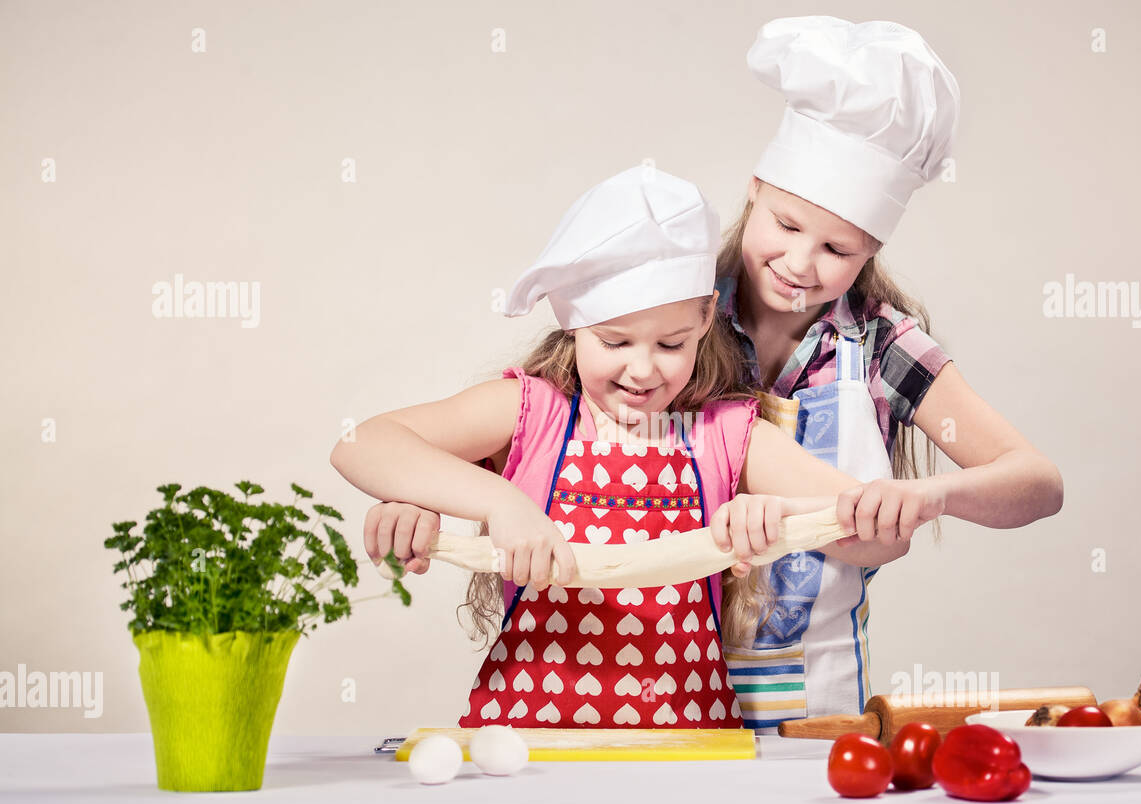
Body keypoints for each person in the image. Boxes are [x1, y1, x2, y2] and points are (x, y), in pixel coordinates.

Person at [330, 166, 912, 730]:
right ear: (573, 326)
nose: (642, 369)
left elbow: (882, 530)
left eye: (670, 343)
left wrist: (777, 514)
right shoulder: (532, 414)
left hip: (688, 748)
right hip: (523, 748)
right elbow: (362, 445)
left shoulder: (727, 434)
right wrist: (496, 502)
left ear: (707, 316)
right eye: (614, 340)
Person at [711, 17, 1064, 728]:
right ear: (754, 189)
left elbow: (1038, 484)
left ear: (872, 247)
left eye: (838, 248)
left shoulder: (879, 344)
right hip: (662, 681)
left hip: (819, 702)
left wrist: (931, 494)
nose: (802, 264)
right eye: (785, 225)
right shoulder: (675, 319)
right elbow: (551, 425)